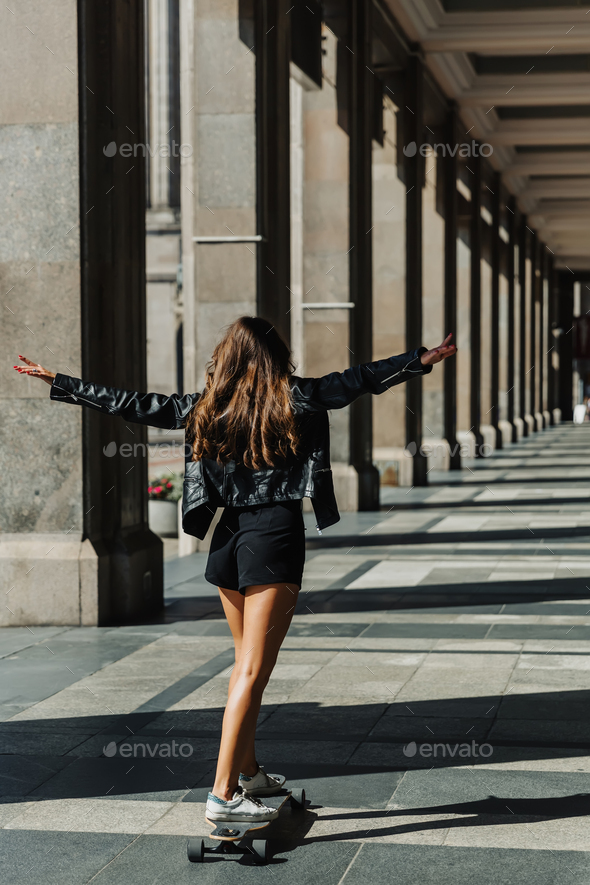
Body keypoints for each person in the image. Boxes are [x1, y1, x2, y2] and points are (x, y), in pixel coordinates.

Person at [15, 315, 456, 823]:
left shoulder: (205, 408)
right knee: (252, 670)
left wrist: (62, 382)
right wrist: (418, 361)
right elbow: (356, 380)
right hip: (273, 537)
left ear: (225, 358)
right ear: (275, 355)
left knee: (246, 667)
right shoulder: (298, 397)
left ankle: (248, 774)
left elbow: (134, 404)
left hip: (226, 540)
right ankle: (223, 795)